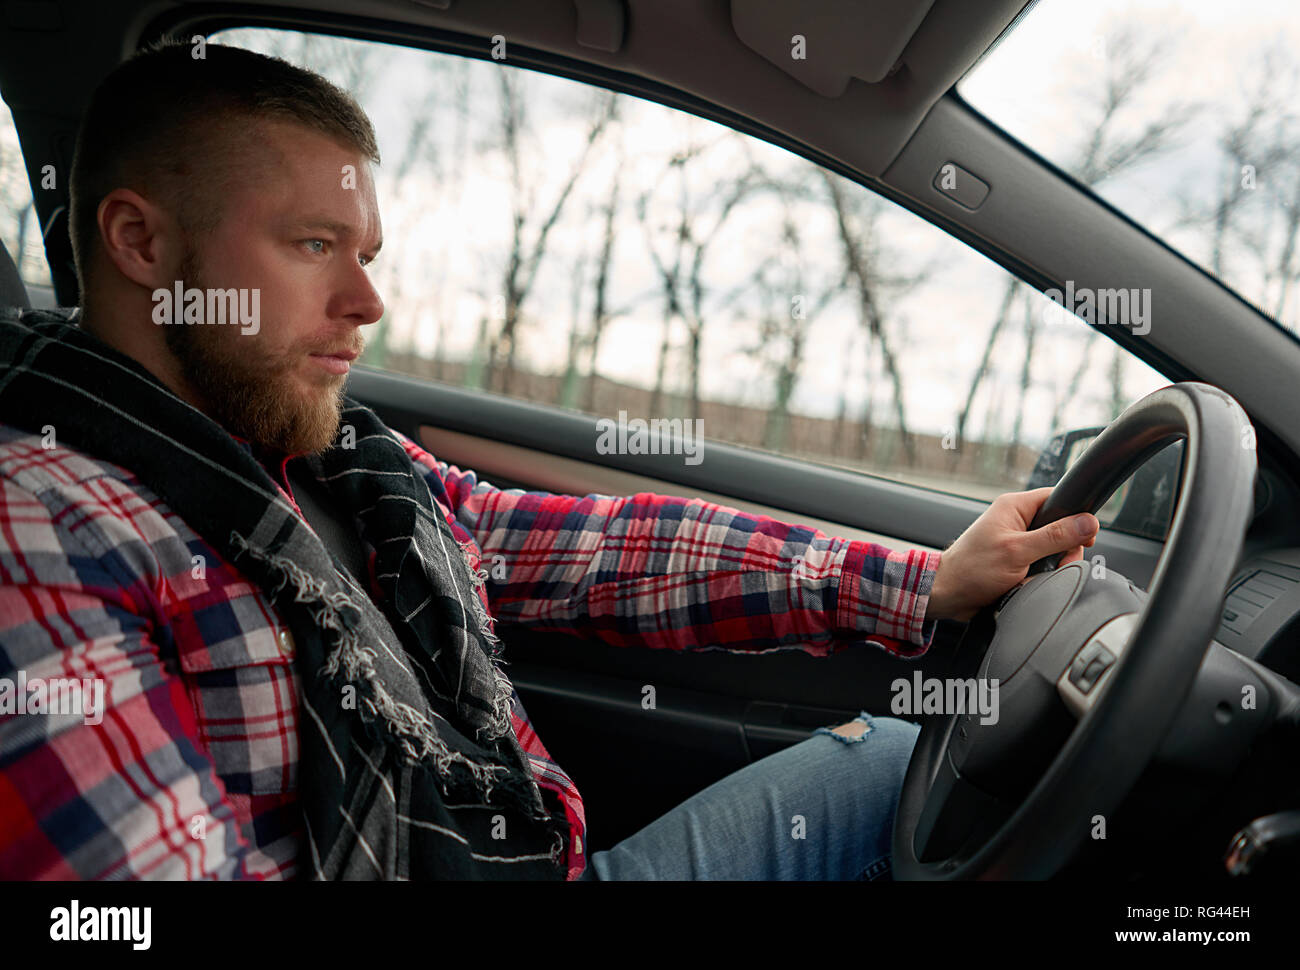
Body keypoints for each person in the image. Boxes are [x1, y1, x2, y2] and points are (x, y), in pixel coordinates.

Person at [0, 40, 1098, 881]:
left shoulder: (322, 461)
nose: (368, 302)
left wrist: (918, 583)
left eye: (367, 254)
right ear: (142, 243)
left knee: (897, 765)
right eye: (310, 245)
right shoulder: (42, 526)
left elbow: (594, 551)